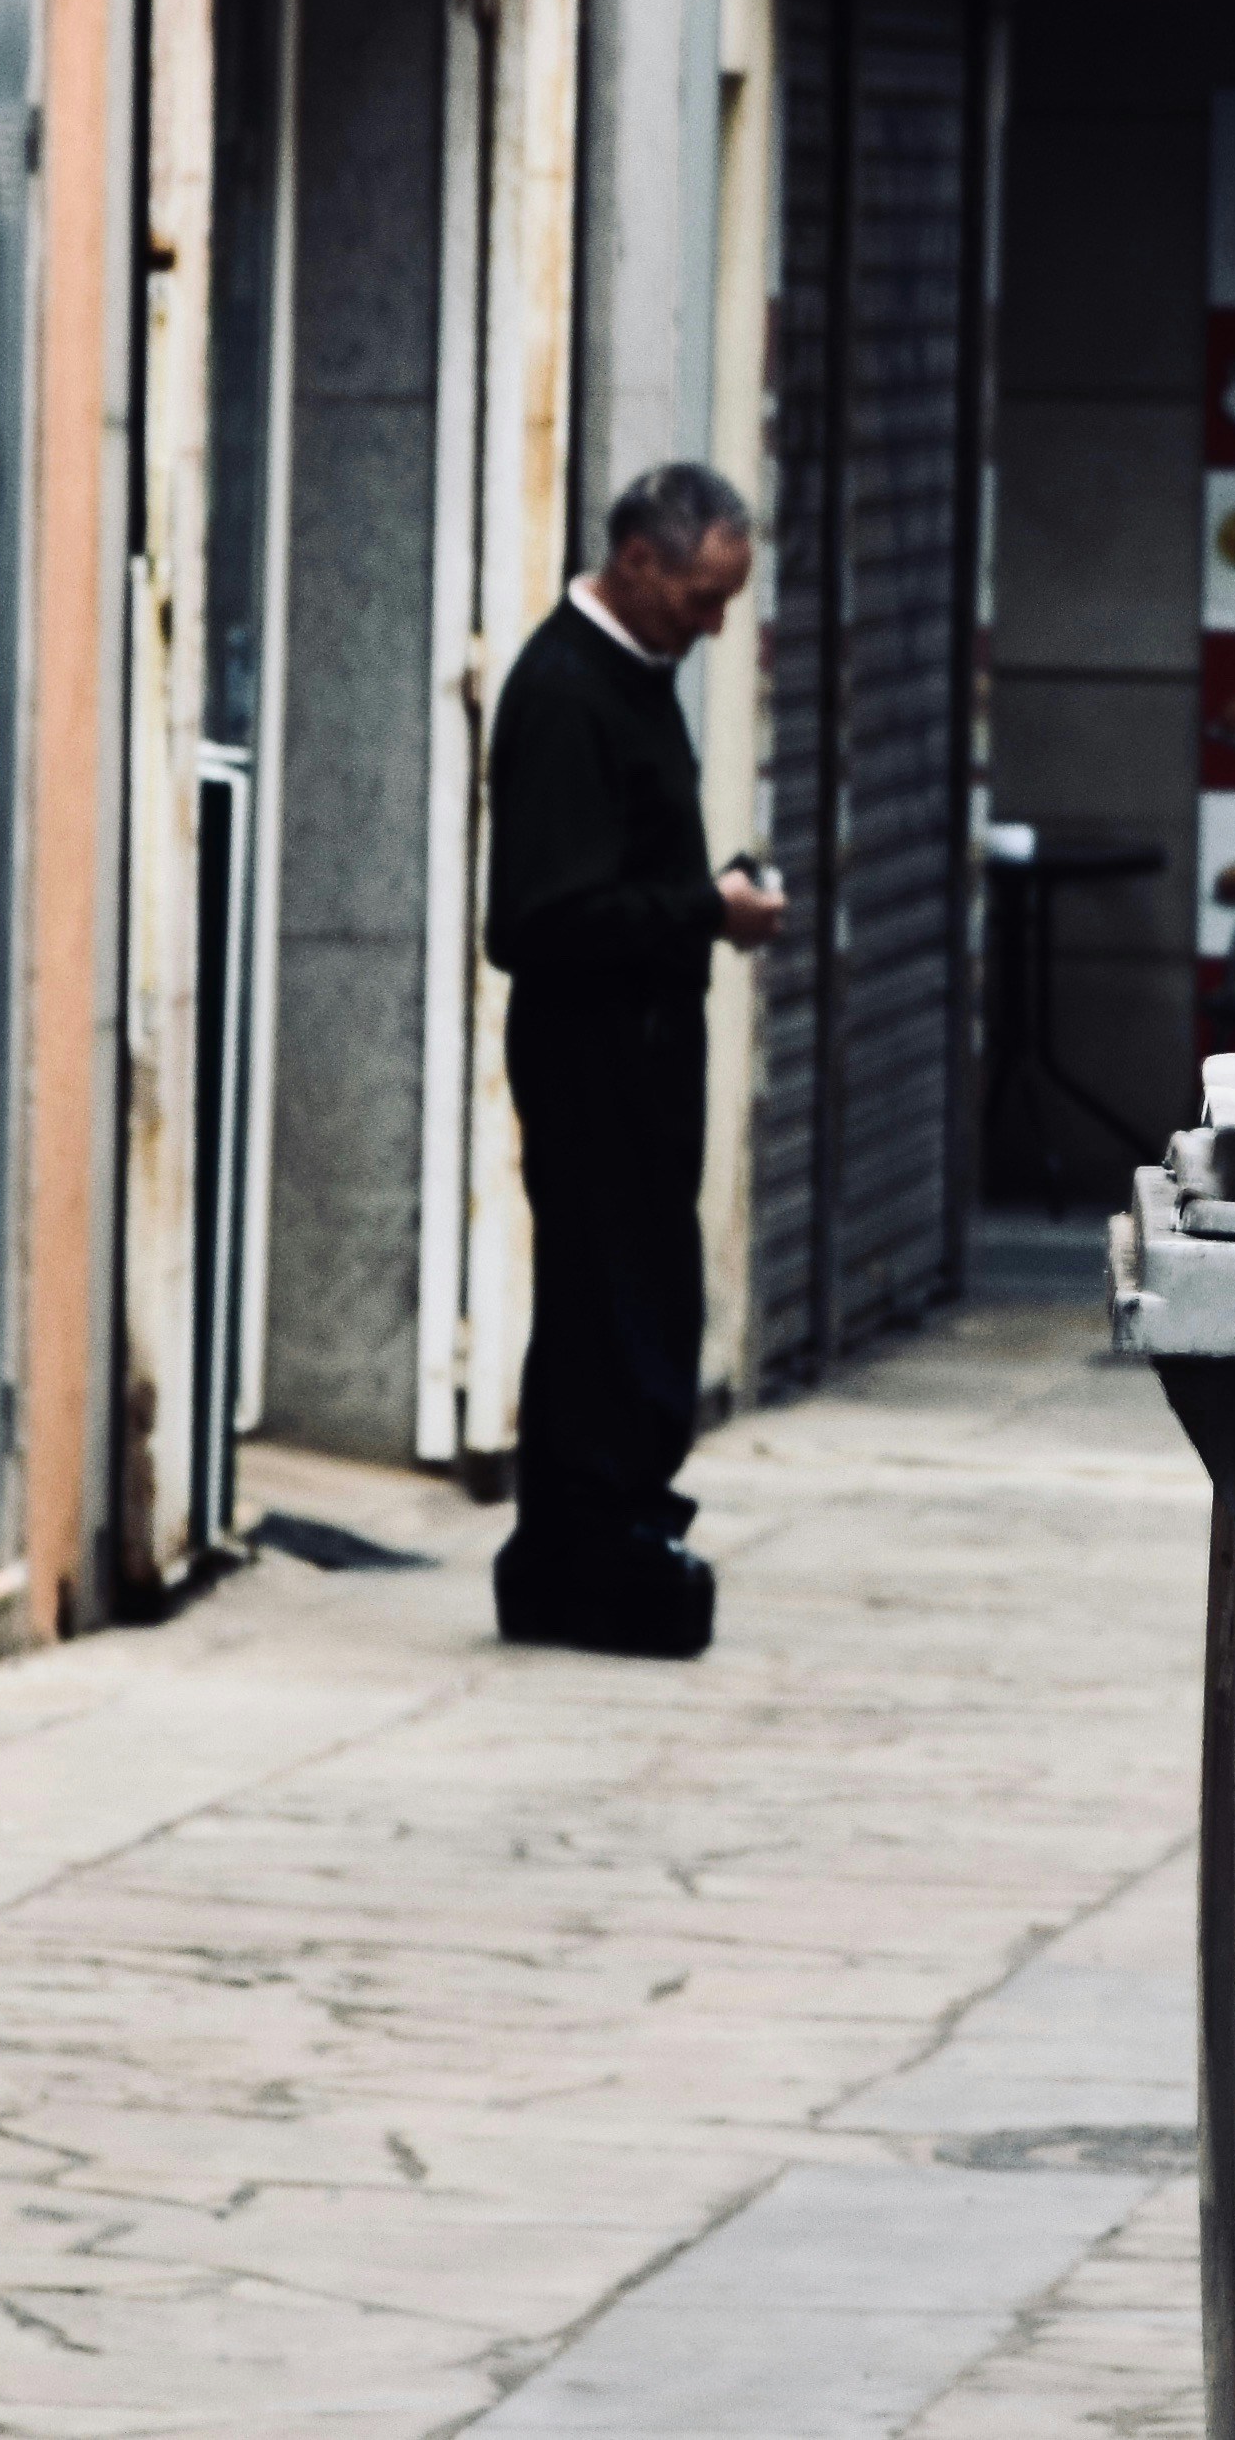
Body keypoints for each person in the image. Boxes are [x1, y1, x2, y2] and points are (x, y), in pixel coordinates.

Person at [478, 459, 791, 1657]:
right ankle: (583, 1545)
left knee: (636, 1287)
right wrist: (705, 914)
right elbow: (535, 920)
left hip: (646, 1048)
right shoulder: (566, 688)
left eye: (728, 603)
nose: (712, 626)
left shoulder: (637, 673)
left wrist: (706, 901)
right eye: (699, 599)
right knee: (607, 1297)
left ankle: (594, 1538)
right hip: (588, 1050)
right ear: (637, 560)